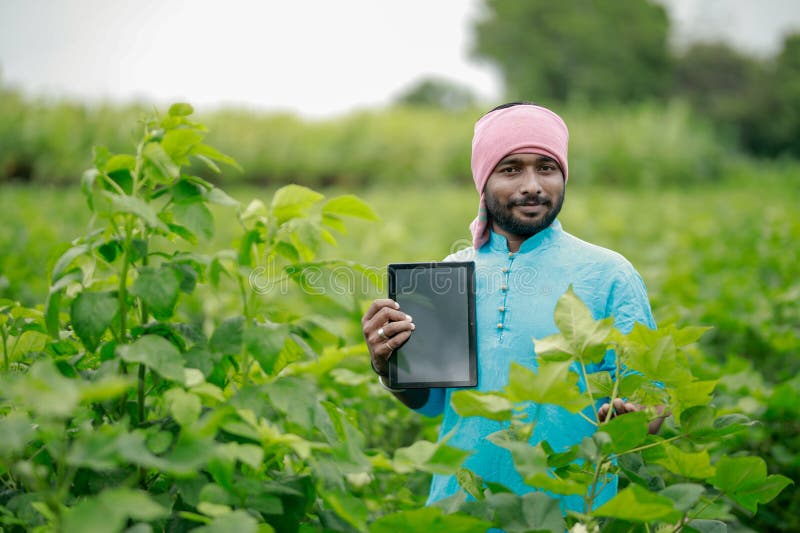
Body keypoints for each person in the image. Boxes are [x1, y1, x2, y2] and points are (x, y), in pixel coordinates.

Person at [361, 102, 662, 514]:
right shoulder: (445, 277)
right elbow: (429, 402)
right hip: (460, 509)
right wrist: (388, 367)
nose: (533, 185)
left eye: (546, 167)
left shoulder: (610, 276)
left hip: (569, 510)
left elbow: (651, 402)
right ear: (483, 181)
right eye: (510, 169)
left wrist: (636, 417)